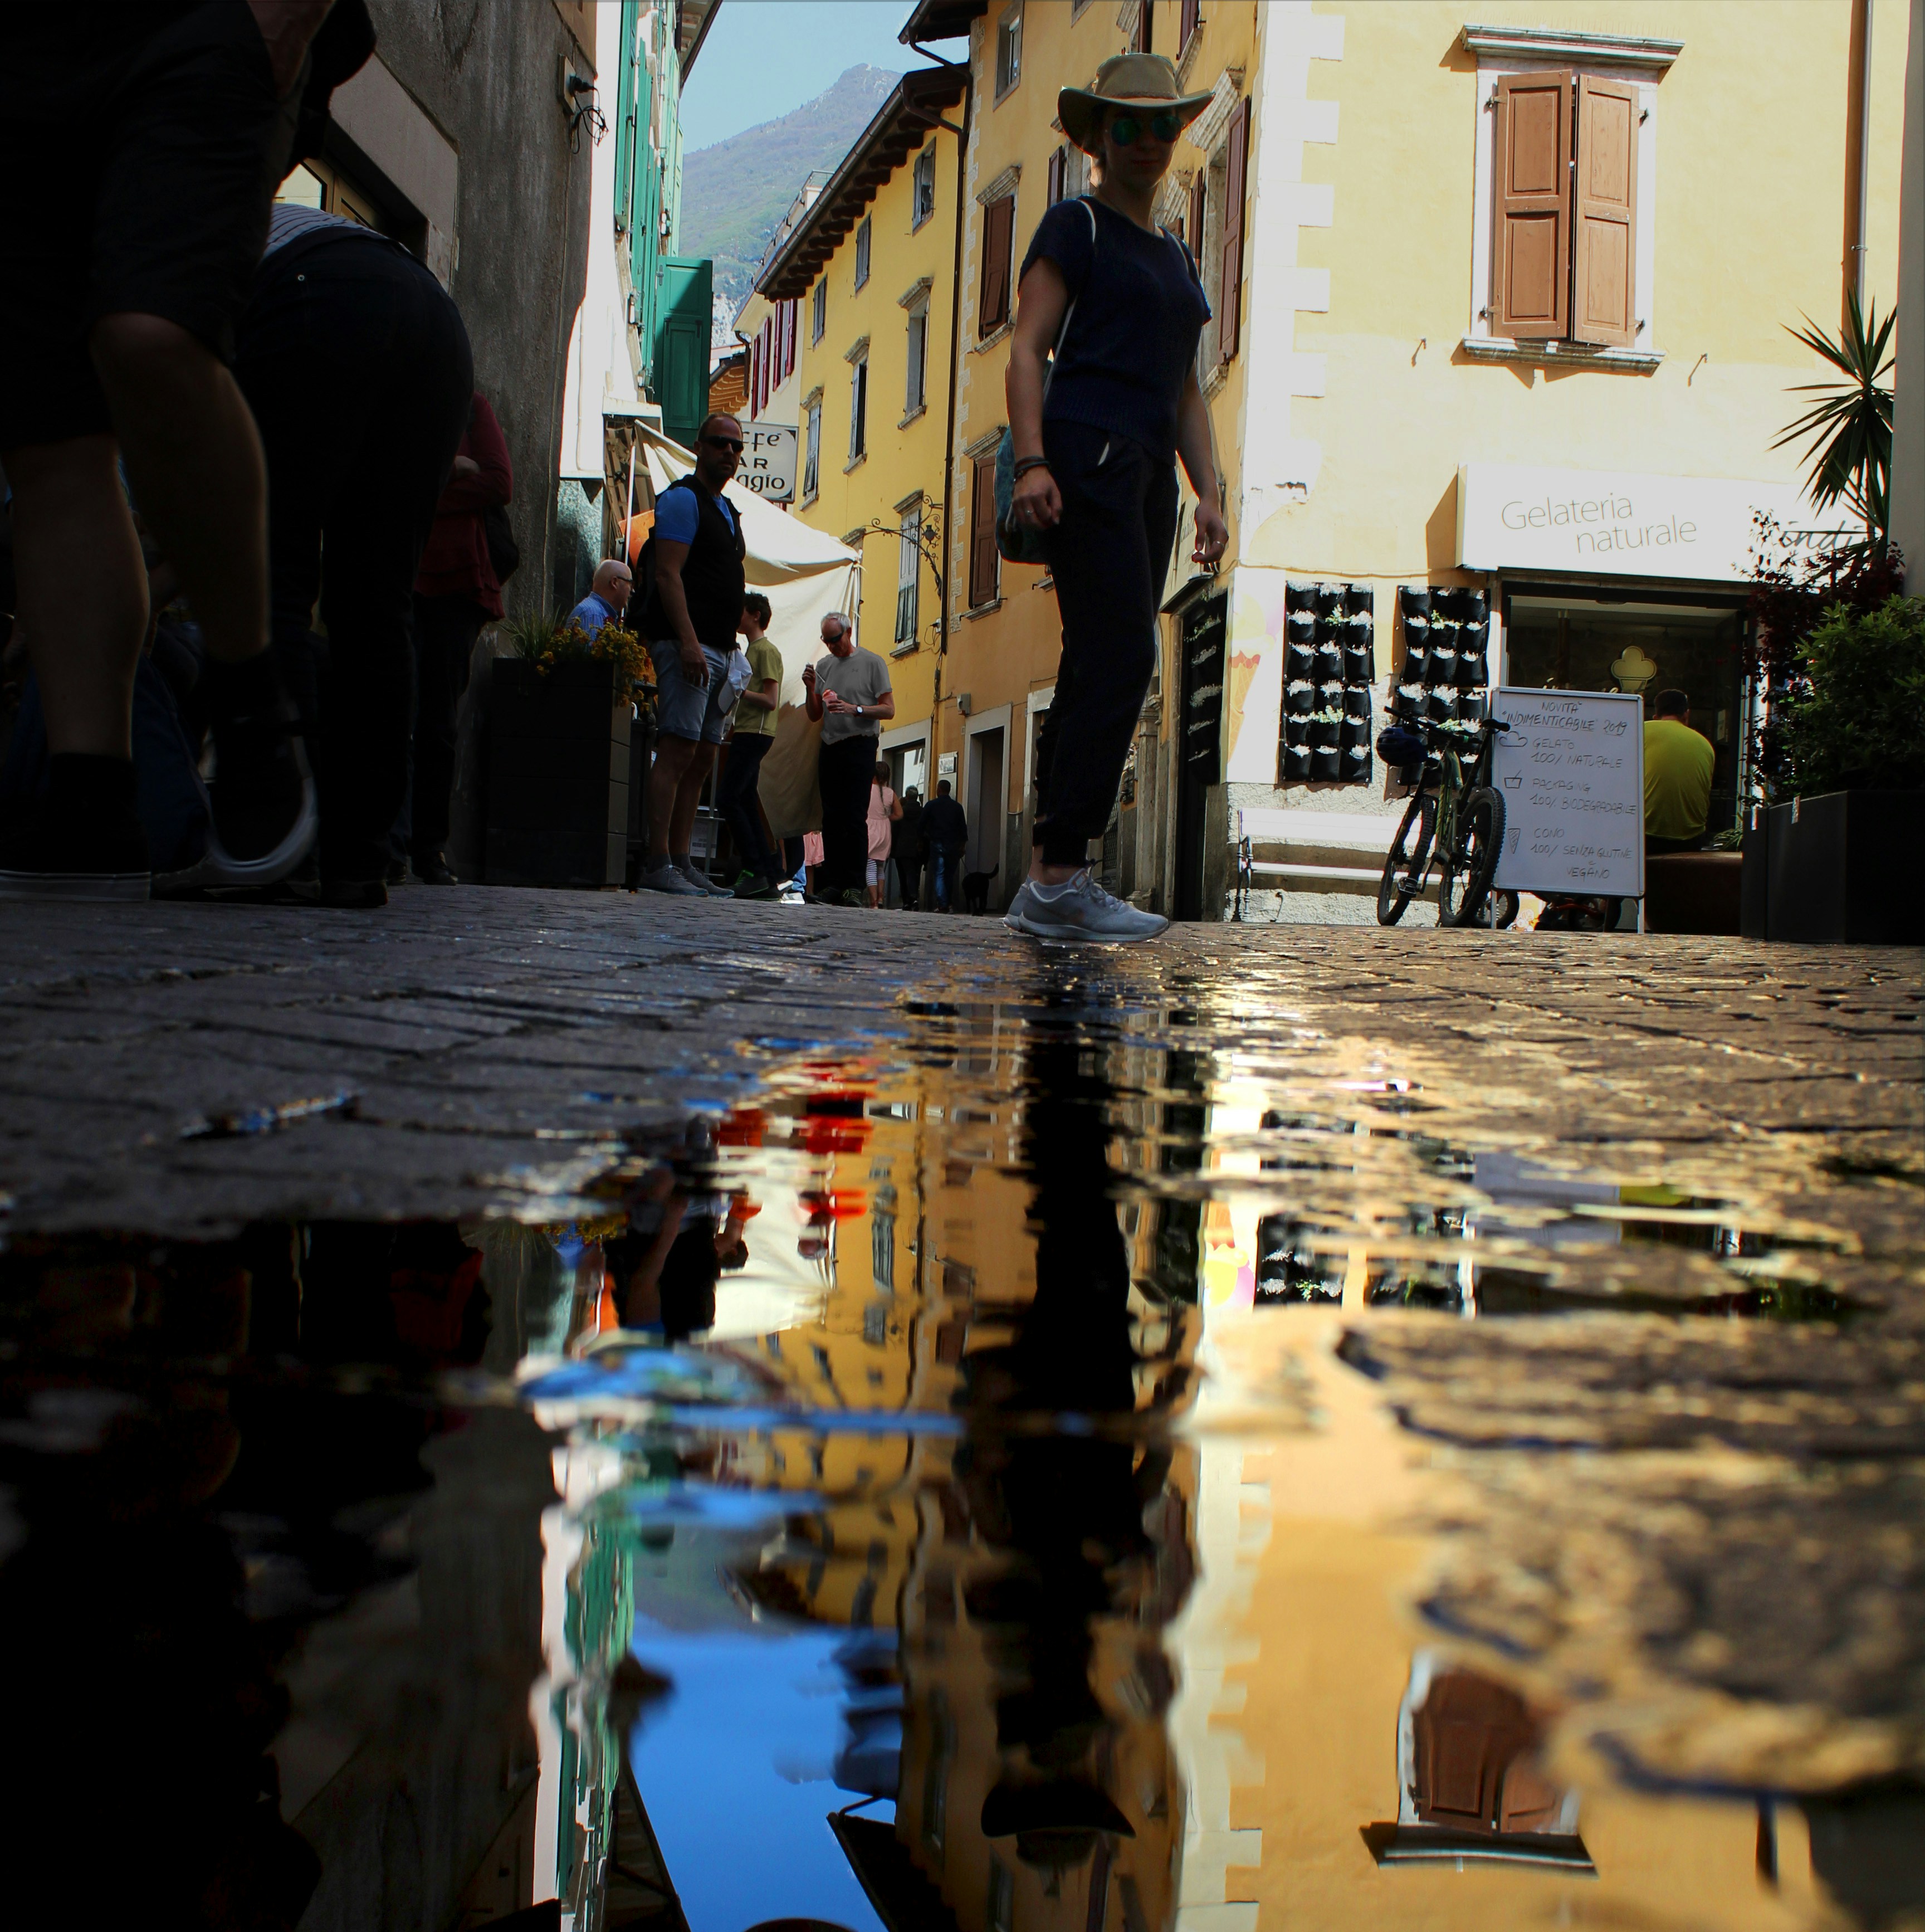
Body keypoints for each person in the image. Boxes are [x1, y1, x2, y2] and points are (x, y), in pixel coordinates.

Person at [0, 0, 373, 899]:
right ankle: (90, 797)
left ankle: (252, 717)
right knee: (50, 435)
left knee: (152, 336)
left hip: (203, 17)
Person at [1001, 53, 1228, 943]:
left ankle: (1046, 879)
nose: (1149, 140)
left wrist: (1208, 491)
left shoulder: (1176, 256)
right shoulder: (1075, 226)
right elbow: (1027, 350)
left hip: (1144, 477)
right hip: (1083, 456)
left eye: (1164, 124)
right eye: (1127, 125)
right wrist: (1030, 464)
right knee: (1127, 654)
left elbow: (1185, 393)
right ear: (1096, 137)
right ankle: (1060, 872)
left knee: (1096, 661)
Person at [234, 200, 473, 907]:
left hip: (320, 298)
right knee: (377, 601)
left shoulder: (160, 247)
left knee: (270, 566)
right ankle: (358, 857)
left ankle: (269, 836)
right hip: (436, 327)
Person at [635, 414, 747, 897]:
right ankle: (657, 862)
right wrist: (686, 642)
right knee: (678, 749)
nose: (729, 452)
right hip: (691, 645)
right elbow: (668, 574)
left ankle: (680, 862)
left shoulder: (727, 509)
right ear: (699, 447)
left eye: (736, 446)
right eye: (720, 443)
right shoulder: (683, 500)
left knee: (701, 756)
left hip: (718, 647)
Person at [402, 390, 511, 887]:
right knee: (394, 706)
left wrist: (420, 489)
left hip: (453, 580)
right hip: (399, 572)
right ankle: (389, 838)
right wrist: (450, 471)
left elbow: (497, 481)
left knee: (438, 718)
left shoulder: (469, 404)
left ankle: (426, 846)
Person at [802, 612, 893, 906]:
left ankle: (853, 885)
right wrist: (809, 688)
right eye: (826, 641)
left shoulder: (872, 662)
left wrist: (856, 709)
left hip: (860, 745)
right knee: (832, 817)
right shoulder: (825, 666)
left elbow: (889, 709)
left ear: (849, 632)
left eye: (836, 639)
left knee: (854, 817)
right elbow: (816, 714)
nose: (832, 646)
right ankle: (833, 883)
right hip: (831, 745)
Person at [717, 591, 785, 897]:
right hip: (749, 731)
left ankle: (756, 868)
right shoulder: (751, 651)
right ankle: (767, 877)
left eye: (742, 612)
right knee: (743, 800)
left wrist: (738, 692)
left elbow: (771, 700)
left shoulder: (765, 651)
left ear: (755, 615)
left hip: (755, 732)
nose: (737, 617)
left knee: (729, 797)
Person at [1644, 688, 1716, 855]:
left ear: (1656, 717)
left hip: (1647, 835)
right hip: (1691, 839)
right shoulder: (1706, 745)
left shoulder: (1641, 731)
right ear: (1686, 715)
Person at [922, 777, 968, 912]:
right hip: (953, 845)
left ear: (939, 790)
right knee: (949, 875)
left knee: (939, 874)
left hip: (937, 843)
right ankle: (950, 904)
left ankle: (942, 904)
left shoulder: (931, 805)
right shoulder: (958, 807)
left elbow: (921, 825)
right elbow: (963, 829)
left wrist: (921, 841)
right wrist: (962, 846)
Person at [864, 760, 903, 908]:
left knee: (869, 865)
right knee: (880, 866)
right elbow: (899, 814)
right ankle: (881, 897)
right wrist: (886, 818)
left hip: (870, 829)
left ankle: (873, 901)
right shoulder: (890, 793)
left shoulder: (867, 790)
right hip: (885, 830)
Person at [568, 557, 631, 640]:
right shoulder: (593, 615)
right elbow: (590, 651)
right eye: (630, 583)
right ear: (614, 582)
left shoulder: (595, 612)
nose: (632, 590)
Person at [892, 784, 925, 910]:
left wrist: (892, 849)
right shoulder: (923, 812)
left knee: (904, 875)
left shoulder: (901, 811)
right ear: (917, 797)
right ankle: (914, 897)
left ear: (907, 796)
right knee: (915, 874)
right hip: (918, 848)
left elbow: (895, 831)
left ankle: (909, 900)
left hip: (902, 849)